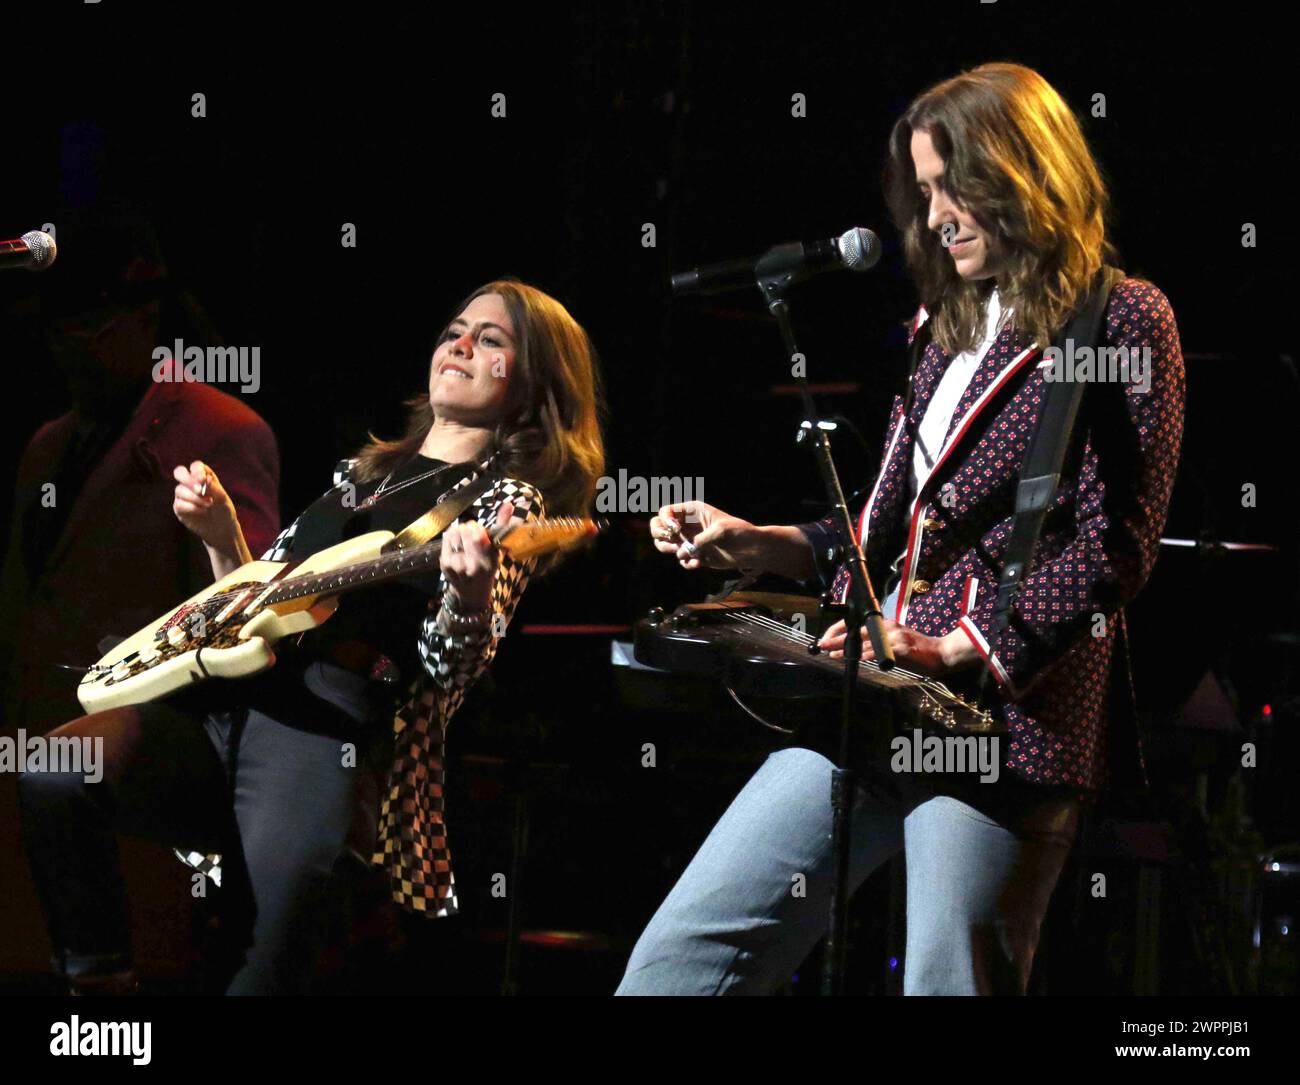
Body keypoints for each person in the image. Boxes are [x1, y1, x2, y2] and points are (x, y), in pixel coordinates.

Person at [617, 62, 1184, 995]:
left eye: (948, 186)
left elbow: (1115, 547)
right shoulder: (941, 323)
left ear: (1022, 167)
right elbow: (885, 525)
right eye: (920, 193)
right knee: (682, 961)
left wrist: (956, 646)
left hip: (996, 723)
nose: (931, 217)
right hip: (871, 692)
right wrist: (758, 540)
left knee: (946, 983)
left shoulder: (1122, 315)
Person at [17, 278, 606, 994]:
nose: (460, 344)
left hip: (325, 728)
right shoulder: (363, 475)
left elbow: (451, 670)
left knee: (254, 970)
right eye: (455, 329)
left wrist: (472, 589)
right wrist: (221, 538)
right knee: (55, 767)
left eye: (492, 340)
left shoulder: (506, 502)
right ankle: (102, 991)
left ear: (534, 382)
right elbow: (258, 599)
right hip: (228, 701)